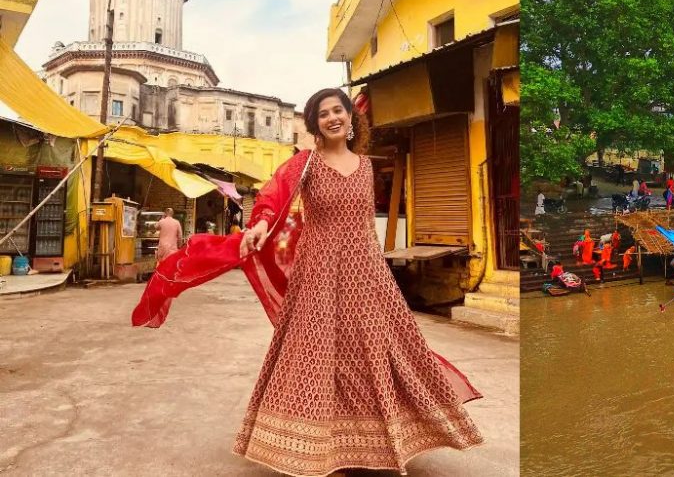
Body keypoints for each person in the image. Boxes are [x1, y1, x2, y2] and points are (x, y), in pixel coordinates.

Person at [132, 88, 482, 476]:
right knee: (315, 355)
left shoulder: (366, 166)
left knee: (376, 351)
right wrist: (260, 225)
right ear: (314, 123)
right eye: (323, 113)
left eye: (338, 110)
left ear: (351, 117)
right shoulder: (305, 163)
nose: (332, 118)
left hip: (367, 273)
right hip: (317, 272)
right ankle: (318, 450)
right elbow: (273, 197)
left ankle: (377, 443)